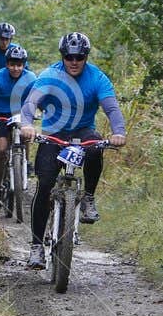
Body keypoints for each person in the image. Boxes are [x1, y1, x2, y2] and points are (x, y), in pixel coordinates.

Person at [18, 32, 127, 269]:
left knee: (97, 145)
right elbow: (30, 103)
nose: (74, 61)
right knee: (44, 185)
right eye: (69, 56)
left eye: (79, 57)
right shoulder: (50, 75)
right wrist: (26, 125)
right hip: (54, 134)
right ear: (63, 57)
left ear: (86, 57)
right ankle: (36, 247)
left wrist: (118, 132)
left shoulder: (97, 78)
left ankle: (88, 197)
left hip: (83, 132)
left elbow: (112, 108)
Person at [0, 43, 31, 209]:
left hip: (21, 115)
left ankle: (26, 162)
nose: (15, 68)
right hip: (1, 116)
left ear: (24, 65)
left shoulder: (31, 78)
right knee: (1, 150)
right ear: (7, 64)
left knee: (27, 134)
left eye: (19, 65)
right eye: (12, 64)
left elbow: (40, 97)